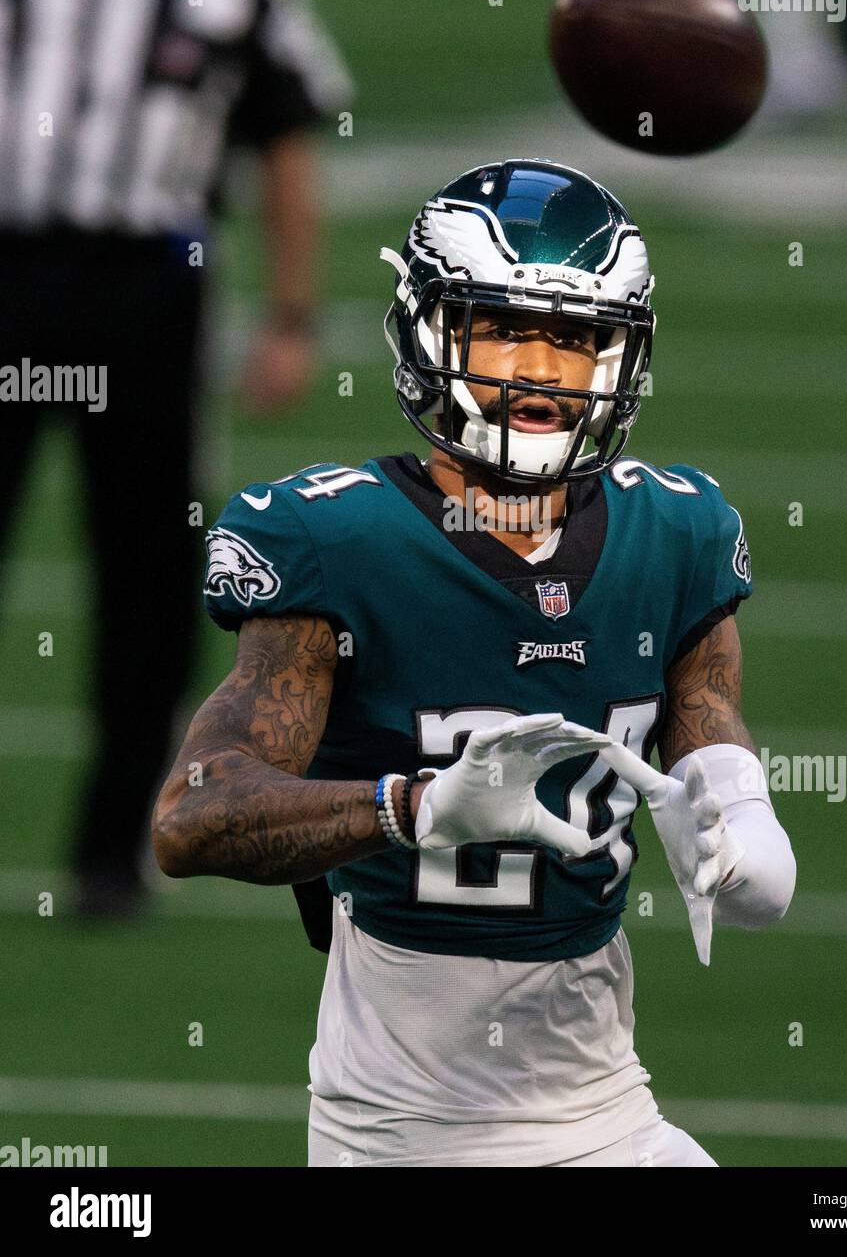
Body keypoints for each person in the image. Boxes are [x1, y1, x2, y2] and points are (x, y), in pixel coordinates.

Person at [152, 158, 796, 1168]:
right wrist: (411, 809)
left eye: (574, 338)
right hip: (401, 1134)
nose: (538, 371)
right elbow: (192, 815)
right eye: (502, 328)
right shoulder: (340, 541)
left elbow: (700, 696)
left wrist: (736, 794)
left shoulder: (675, 528)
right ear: (429, 331)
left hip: (606, 1110)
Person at [0, 0, 352, 916]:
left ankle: (111, 854)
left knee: (148, 577)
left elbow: (287, 128)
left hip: (148, 288)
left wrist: (290, 318)